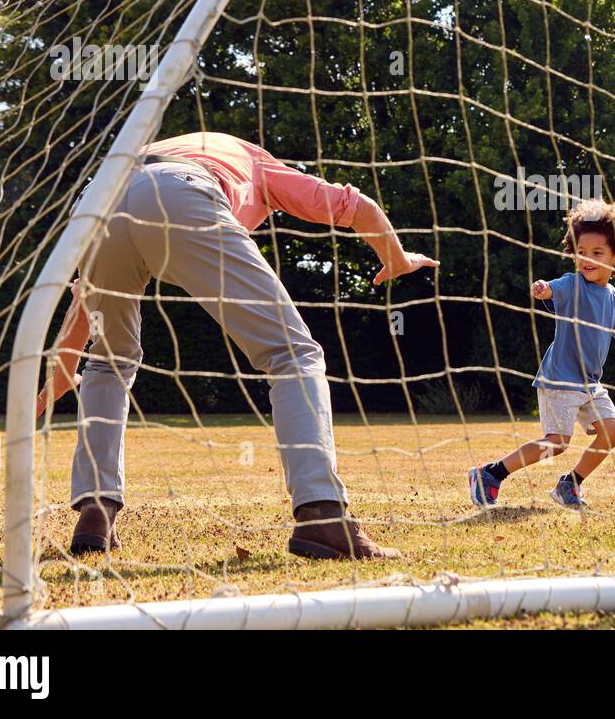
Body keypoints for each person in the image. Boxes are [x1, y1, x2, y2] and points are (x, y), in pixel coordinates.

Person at [36, 131, 438, 559]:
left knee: (109, 363)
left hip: (96, 202)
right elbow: (354, 207)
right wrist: (396, 258)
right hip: (181, 192)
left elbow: (85, 307)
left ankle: (95, 514)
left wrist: (60, 377)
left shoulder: (170, 147)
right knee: (293, 354)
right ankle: (323, 517)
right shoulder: (257, 161)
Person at [467, 199, 615, 509]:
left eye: (597, 253)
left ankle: (569, 485)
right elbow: (552, 289)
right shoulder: (572, 284)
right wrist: (543, 289)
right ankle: (491, 474)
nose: (586, 259)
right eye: (581, 252)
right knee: (557, 444)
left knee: (612, 432)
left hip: (590, 384)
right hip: (560, 379)